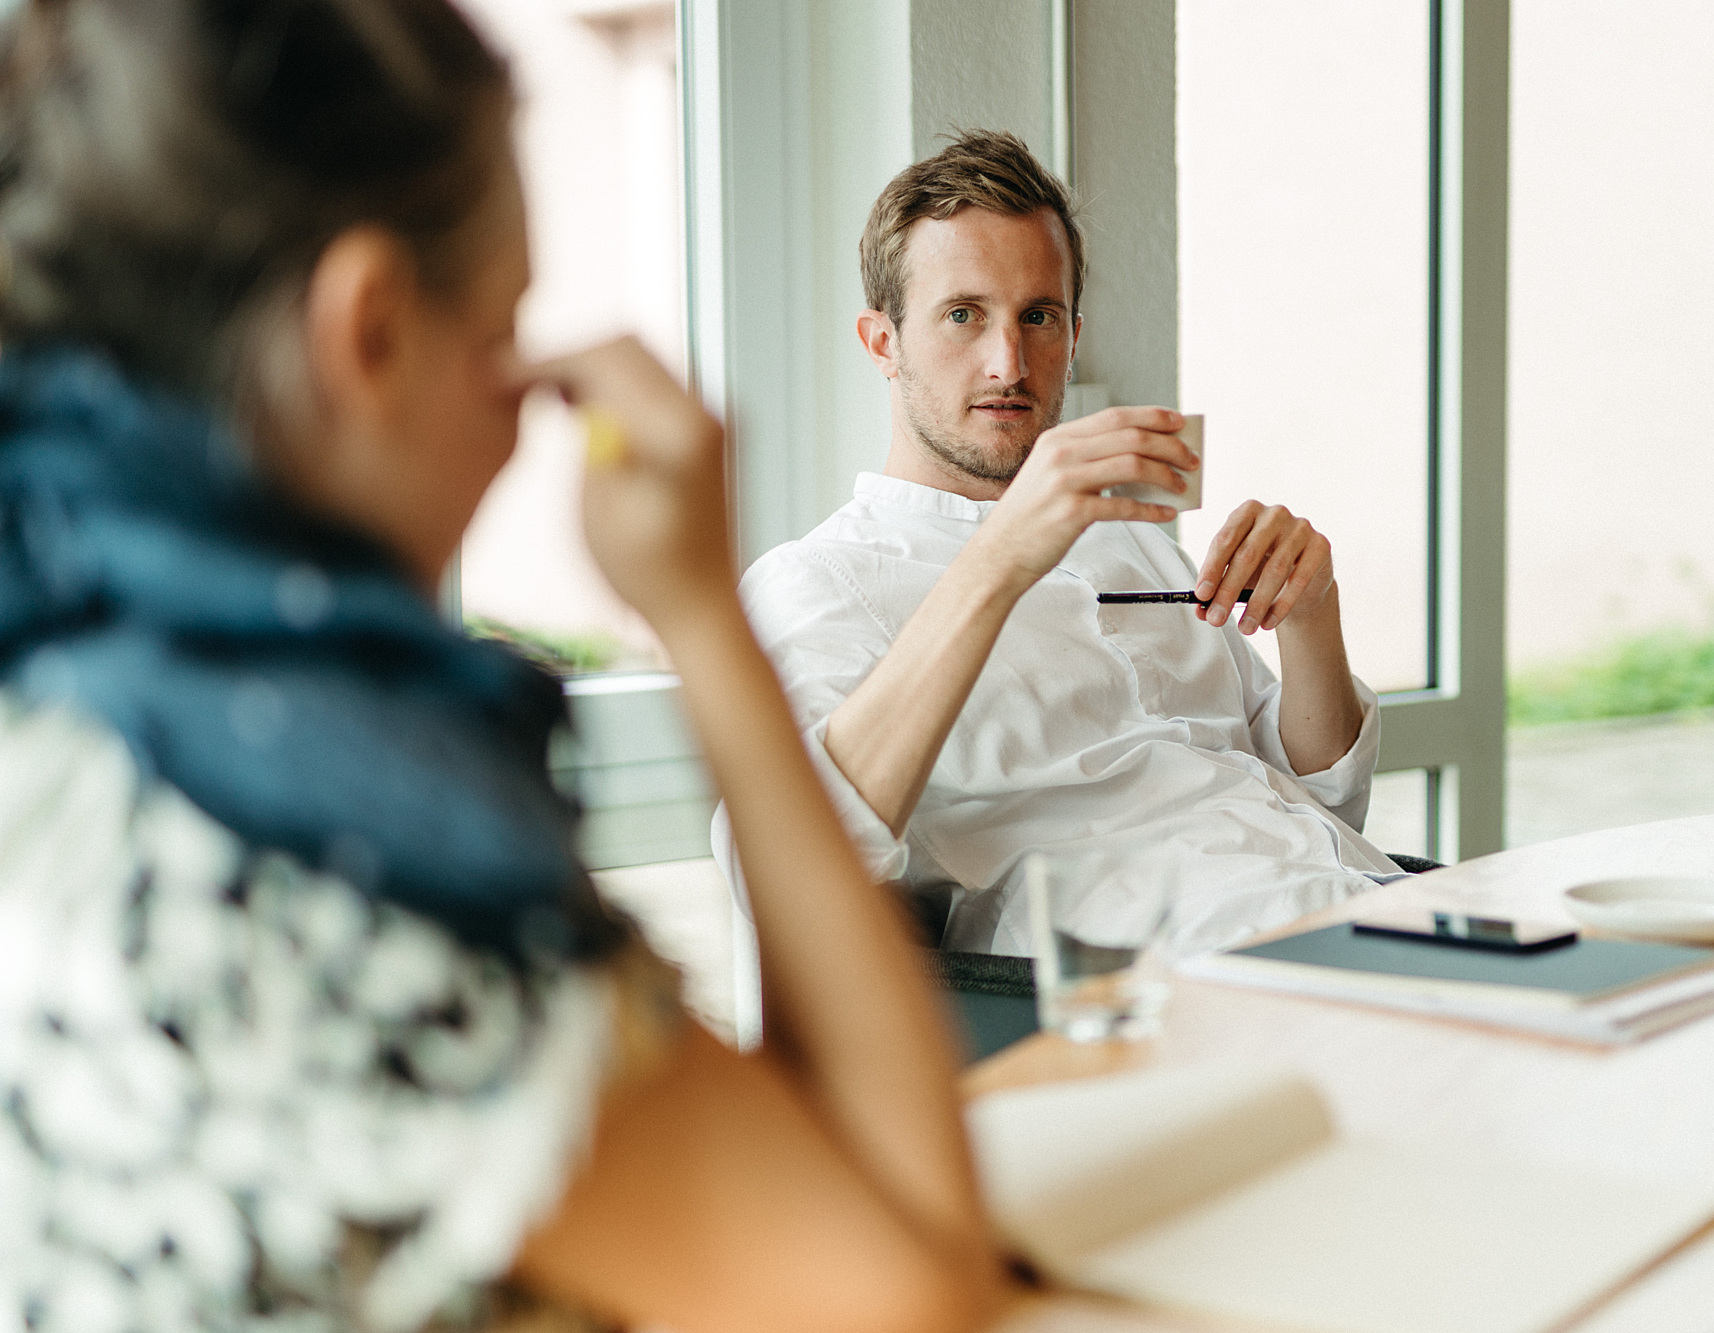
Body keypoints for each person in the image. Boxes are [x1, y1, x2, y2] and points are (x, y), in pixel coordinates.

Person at [0, 3, 1001, 1330]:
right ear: (369, 331)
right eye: (504, 334)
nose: (521, 410)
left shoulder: (58, 688)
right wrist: (703, 616)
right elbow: (904, 1286)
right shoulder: (343, 850)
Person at [720, 130, 1404, 957]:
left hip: (1371, 900)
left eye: (1037, 317)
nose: (1008, 362)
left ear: (1072, 335)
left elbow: (1324, 797)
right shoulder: (817, 582)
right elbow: (782, 869)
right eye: (963, 315)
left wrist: (1312, 617)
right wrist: (999, 560)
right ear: (883, 343)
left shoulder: (1136, 542)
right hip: (1177, 972)